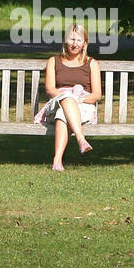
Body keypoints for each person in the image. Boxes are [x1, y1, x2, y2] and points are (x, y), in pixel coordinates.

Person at [37, 23, 102, 171]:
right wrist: (68, 96)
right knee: (65, 100)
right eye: (71, 39)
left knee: (63, 113)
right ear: (65, 41)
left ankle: (57, 161)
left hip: (83, 104)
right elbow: (50, 89)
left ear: (85, 43)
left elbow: (97, 94)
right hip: (59, 101)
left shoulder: (92, 64)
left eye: (79, 40)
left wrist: (78, 99)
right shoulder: (54, 61)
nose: (74, 44)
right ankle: (81, 139)